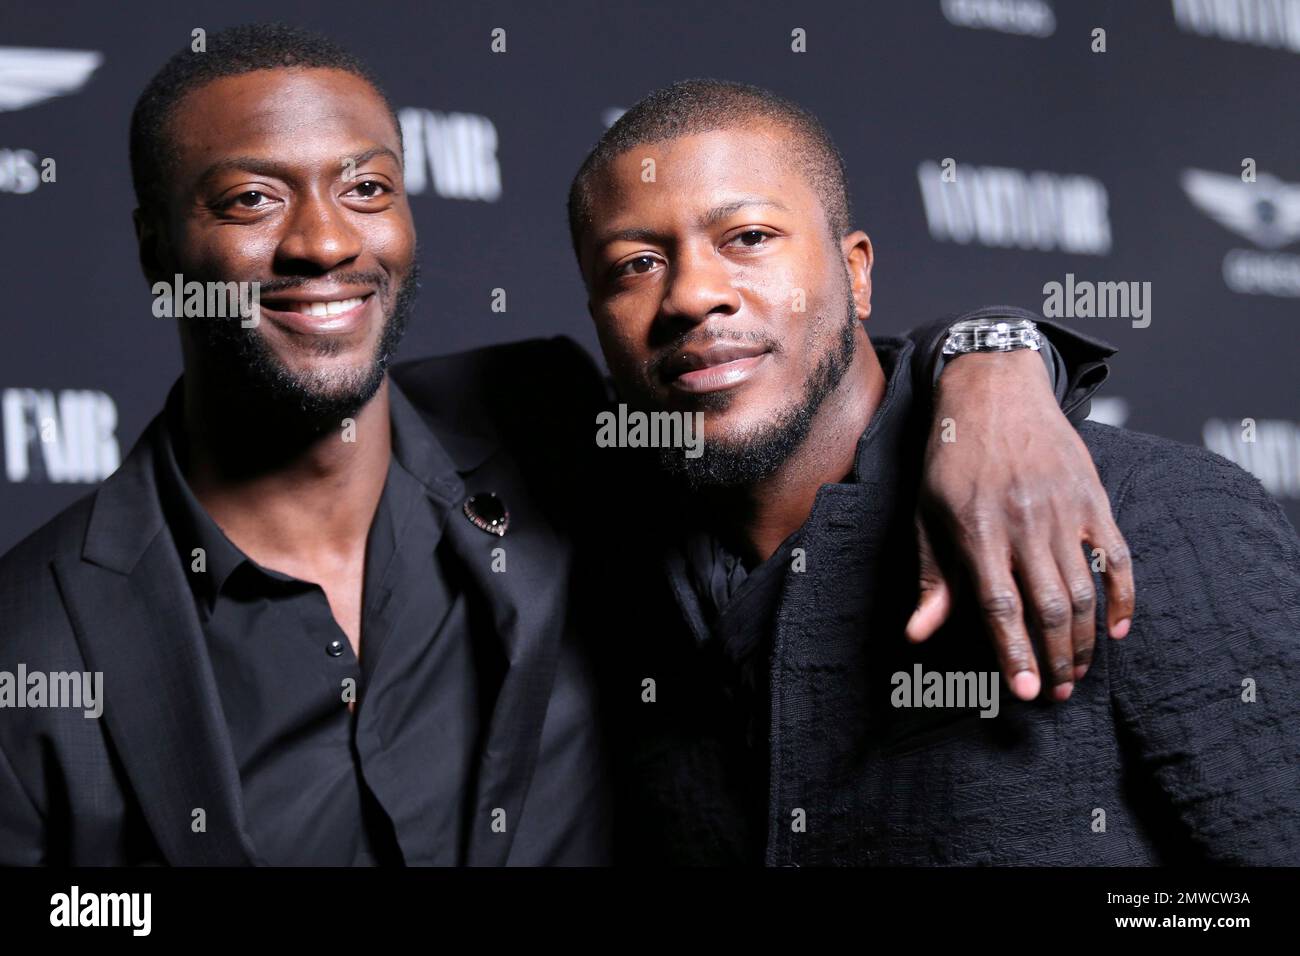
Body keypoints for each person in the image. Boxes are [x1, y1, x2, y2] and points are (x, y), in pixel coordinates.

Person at [1, 27, 1122, 865]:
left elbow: (802, 373)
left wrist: (996, 367)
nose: (325, 239)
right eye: (250, 198)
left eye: (366, 188)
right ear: (159, 250)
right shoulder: (39, 633)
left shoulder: (547, 420)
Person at [571, 79, 1300, 865]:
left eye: (748, 237)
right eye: (637, 263)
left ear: (856, 275)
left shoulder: (1140, 510)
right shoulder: (607, 578)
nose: (693, 294)